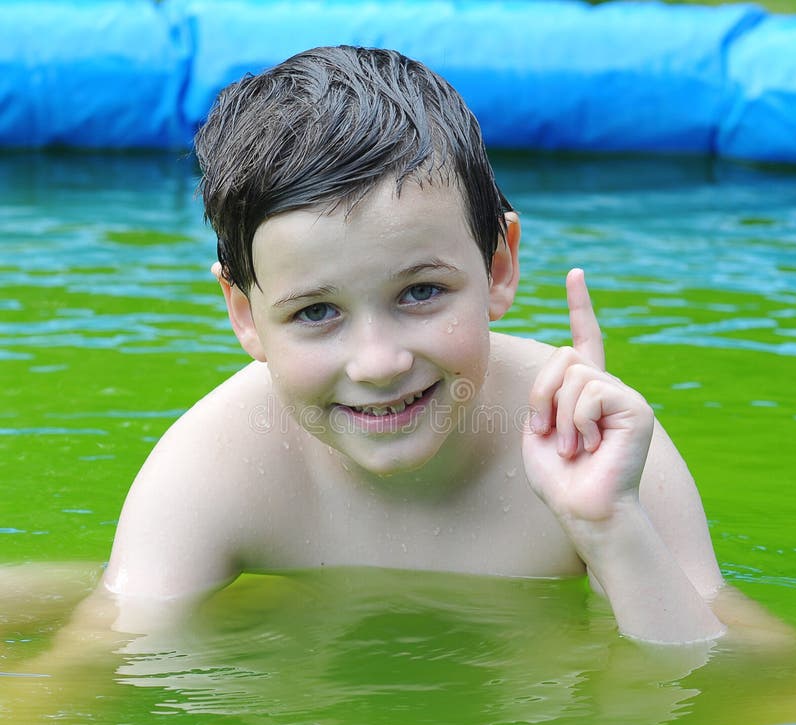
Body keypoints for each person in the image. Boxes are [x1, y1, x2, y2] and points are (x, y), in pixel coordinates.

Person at [99, 45, 758, 645]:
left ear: (498, 267)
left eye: (420, 293)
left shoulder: (595, 442)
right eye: (317, 310)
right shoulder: (214, 464)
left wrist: (613, 527)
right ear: (245, 315)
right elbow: (105, 663)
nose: (380, 362)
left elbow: (727, 683)